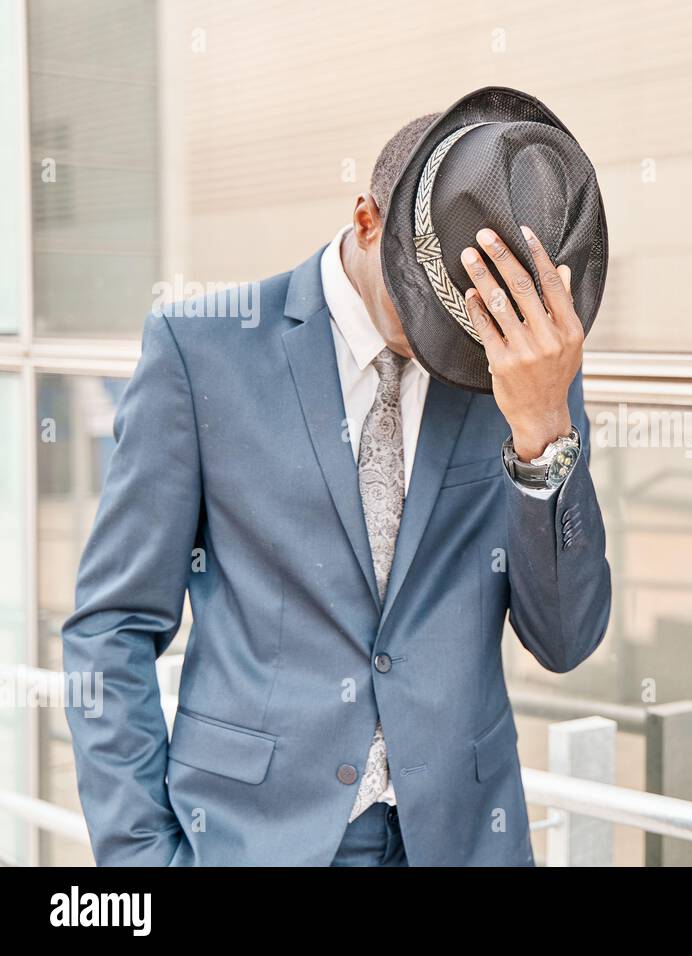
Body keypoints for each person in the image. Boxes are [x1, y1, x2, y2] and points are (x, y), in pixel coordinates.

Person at [62, 90, 612, 866]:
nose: (452, 340)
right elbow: (110, 626)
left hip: (461, 838)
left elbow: (566, 640)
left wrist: (541, 437)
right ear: (366, 222)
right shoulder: (202, 352)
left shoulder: (521, 369)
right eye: (429, 304)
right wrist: (141, 856)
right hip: (255, 840)